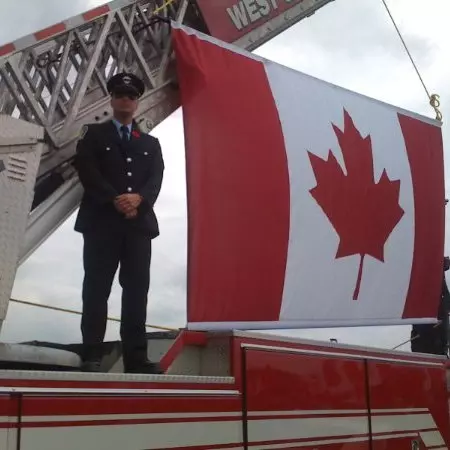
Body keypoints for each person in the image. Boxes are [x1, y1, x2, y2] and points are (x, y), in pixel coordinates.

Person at [73, 72, 164, 374]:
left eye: (132, 96)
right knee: (97, 288)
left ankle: (136, 358)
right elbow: (87, 171)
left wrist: (139, 200)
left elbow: (155, 179)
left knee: (137, 291)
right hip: (102, 223)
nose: (126, 100)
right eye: (121, 95)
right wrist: (116, 199)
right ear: (112, 99)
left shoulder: (150, 143)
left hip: (138, 226)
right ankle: (92, 355)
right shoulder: (93, 134)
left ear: (137, 103)